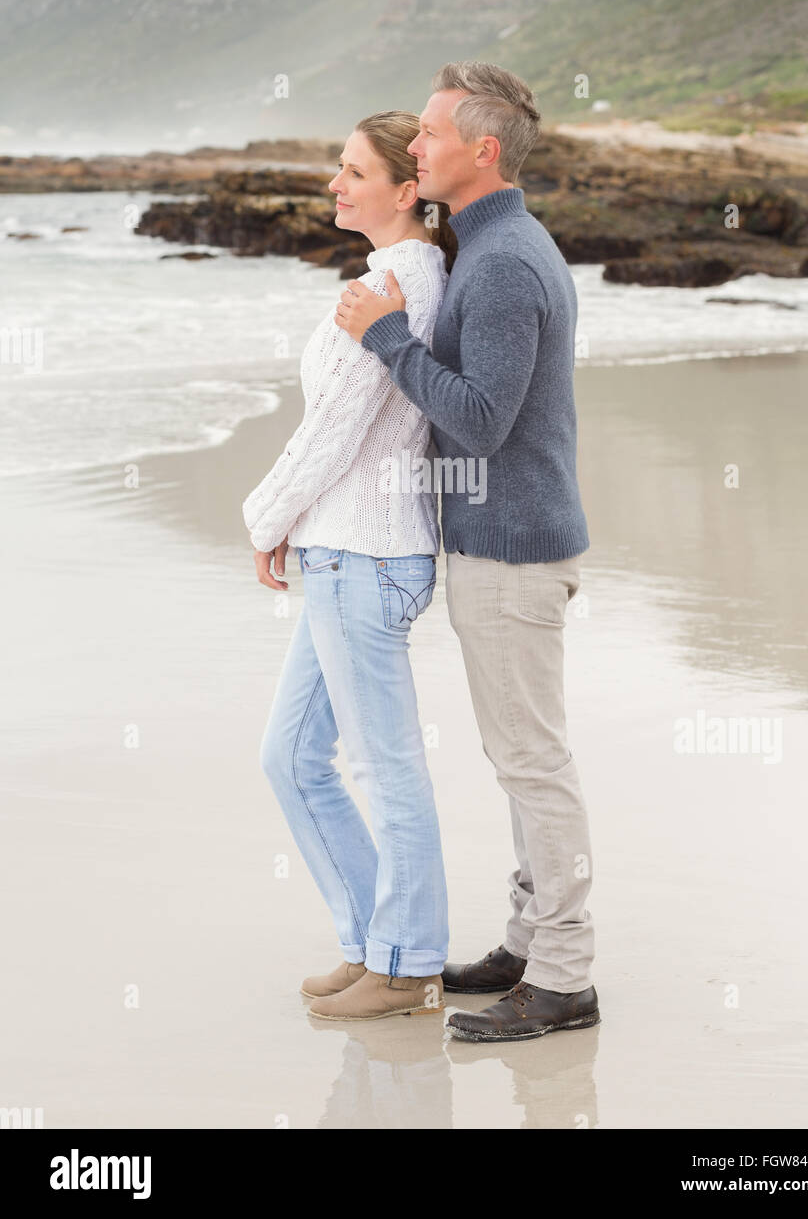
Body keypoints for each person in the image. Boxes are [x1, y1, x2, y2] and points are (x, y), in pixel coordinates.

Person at [336, 62, 600, 1042]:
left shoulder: (500, 265)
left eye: (432, 135)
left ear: (479, 151)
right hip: (511, 543)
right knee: (521, 758)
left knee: (533, 764)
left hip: (511, 551)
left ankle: (563, 976)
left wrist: (389, 335)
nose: (416, 147)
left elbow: (480, 422)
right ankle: (531, 945)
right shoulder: (496, 244)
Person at [242, 111, 456, 1022]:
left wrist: (264, 518)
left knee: (383, 766)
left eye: (352, 170)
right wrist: (294, 523)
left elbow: (337, 428)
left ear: (407, 189)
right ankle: (374, 942)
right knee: (290, 756)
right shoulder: (395, 275)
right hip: (343, 551)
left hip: (362, 557)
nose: (335, 183)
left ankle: (407, 965)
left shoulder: (399, 280)